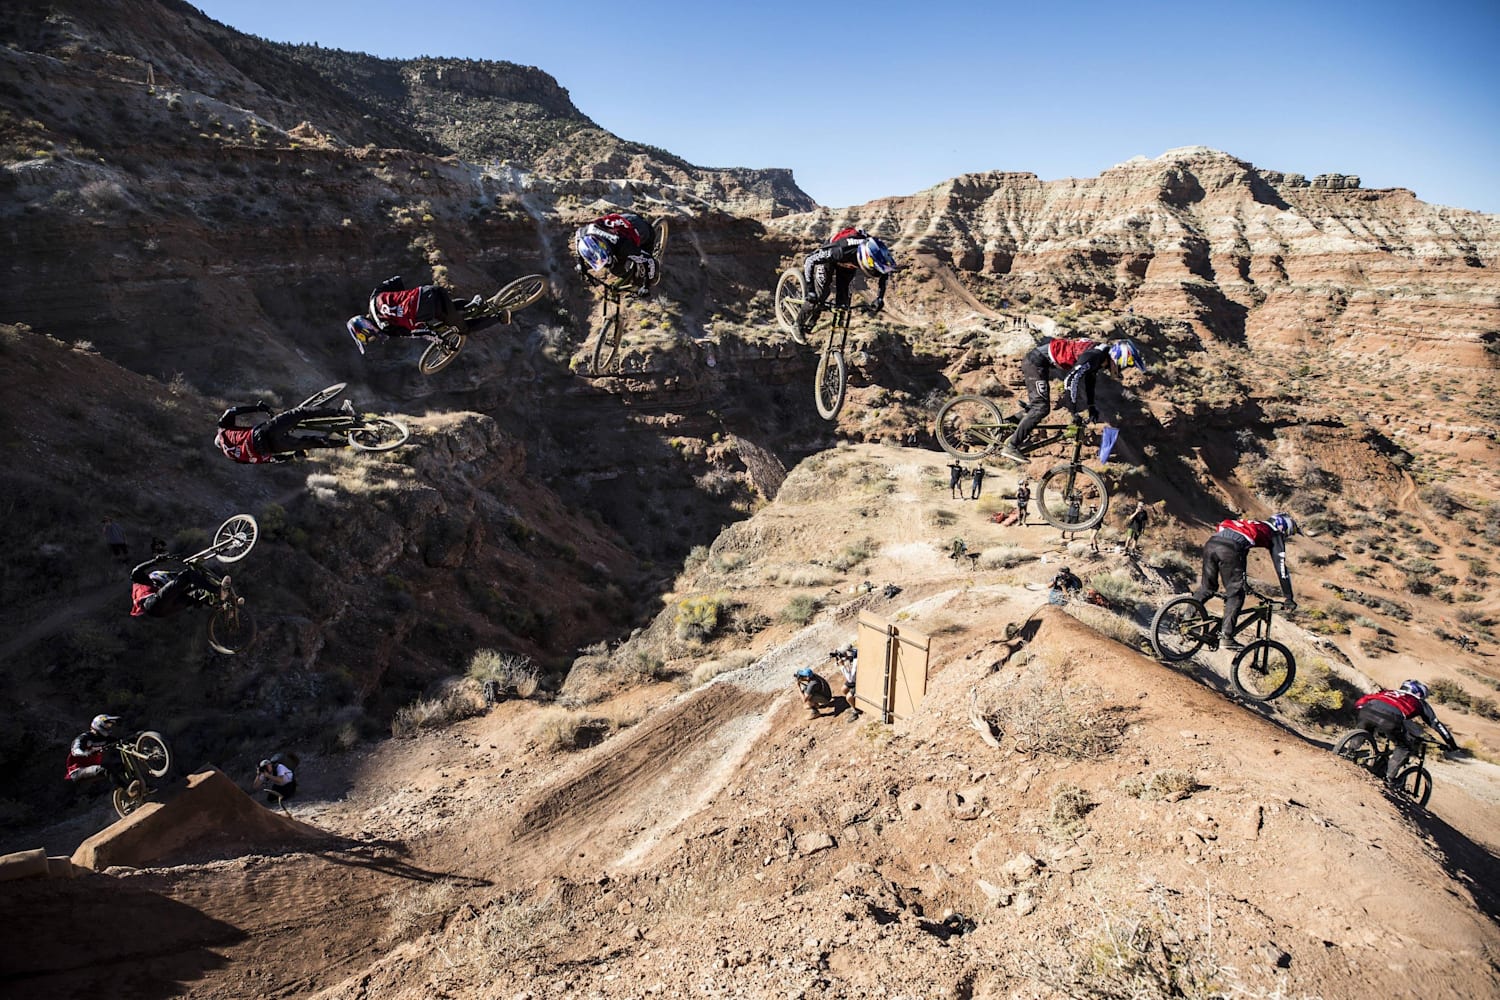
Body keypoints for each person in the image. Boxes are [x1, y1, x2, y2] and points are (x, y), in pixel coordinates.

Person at [1000, 338, 1143, 465]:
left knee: (1037, 406)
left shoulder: (1100, 356)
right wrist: (1073, 410)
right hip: (1036, 362)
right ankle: (1011, 446)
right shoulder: (1094, 356)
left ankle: (1002, 426)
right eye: (1124, 366)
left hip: (1041, 363)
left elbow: (1089, 382)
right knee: (1041, 408)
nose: (1122, 371)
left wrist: (1092, 406)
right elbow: (1071, 379)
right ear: (1119, 358)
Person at [1191, 513, 1298, 651]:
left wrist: (1243, 580)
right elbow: (1281, 568)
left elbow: (1242, 552)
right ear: (1284, 528)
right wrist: (1289, 597)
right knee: (1236, 595)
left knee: (1207, 588)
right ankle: (1226, 637)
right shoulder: (1274, 534)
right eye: (1289, 533)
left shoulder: (1253, 525)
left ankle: (1186, 616)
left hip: (1211, 544)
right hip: (1230, 549)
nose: (1287, 537)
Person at [347, 275, 514, 355]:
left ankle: (500, 317)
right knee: (447, 311)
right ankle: (474, 304)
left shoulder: (387, 328)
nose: (375, 338)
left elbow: (419, 332)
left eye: (370, 338)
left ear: (366, 328)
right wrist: (404, 301)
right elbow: (397, 280)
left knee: (463, 330)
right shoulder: (374, 297)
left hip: (428, 309)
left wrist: (440, 340)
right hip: (427, 291)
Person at [797, 227, 898, 334]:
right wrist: (810, 289)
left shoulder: (876, 252)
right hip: (832, 258)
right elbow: (809, 260)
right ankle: (797, 325)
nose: (873, 271)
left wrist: (880, 298)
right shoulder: (840, 250)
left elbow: (884, 273)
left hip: (848, 263)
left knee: (843, 305)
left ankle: (835, 342)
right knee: (819, 295)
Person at [1353, 680, 1458, 780]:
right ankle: (1389, 778)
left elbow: (1364, 699)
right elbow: (1436, 724)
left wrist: (1358, 710)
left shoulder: (1389, 692)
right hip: (1390, 719)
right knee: (1404, 747)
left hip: (1367, 709)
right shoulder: (1419, 702)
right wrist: (1451, 744)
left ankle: (1349, 752)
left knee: (1365, 731)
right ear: (1420, 693)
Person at [214, 397, 355, 464]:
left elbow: (269, 460)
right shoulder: (223, 430)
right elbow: (231, 411)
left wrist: (292, 456)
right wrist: (258, 408)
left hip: (269, 449)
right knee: (300, 413)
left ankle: (350, 442)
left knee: (310, 443)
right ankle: (342, 413)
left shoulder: (233, 456)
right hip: (262, 433)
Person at [573, 212, 660, 294]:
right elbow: (578, 237)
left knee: (641, 275)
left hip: (642, 229)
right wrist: (580, 263)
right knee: (615, 268)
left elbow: (648, 261)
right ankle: (629, 271)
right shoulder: (586, 232)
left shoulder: (624, 247)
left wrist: (646, 286)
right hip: (621, 222)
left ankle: (652, 275)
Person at [129, 554, 222, 618]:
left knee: (196, 594)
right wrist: (155, 561)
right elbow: (135, 572)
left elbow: (181, 583)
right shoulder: (143, 581)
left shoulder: (162, 589)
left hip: (164, 611)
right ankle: (217, 591)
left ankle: (222, 605)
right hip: (151, 604)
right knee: (188, 574)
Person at [63, 714, 132, 792]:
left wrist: (135, 737)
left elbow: (121, 742)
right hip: (77, 771)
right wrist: (87, 752)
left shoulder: (105, 739)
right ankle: (129, 790)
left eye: (109, 725)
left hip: (93, 768)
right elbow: (75, 750)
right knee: (106, 769)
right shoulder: (84, 738)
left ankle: (139, 785)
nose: (109, 727)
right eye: (107, 725)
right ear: (99, 725)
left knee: (122, 766)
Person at [830, 644, 860, 720]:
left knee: (848, 697)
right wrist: (845, 659)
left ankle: (856, 711)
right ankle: (855, 704)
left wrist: (842, 666)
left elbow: (850, 679)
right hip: (856, 678)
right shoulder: (854, 653)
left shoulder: (856, 662)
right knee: (844, 689)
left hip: (860, 681)